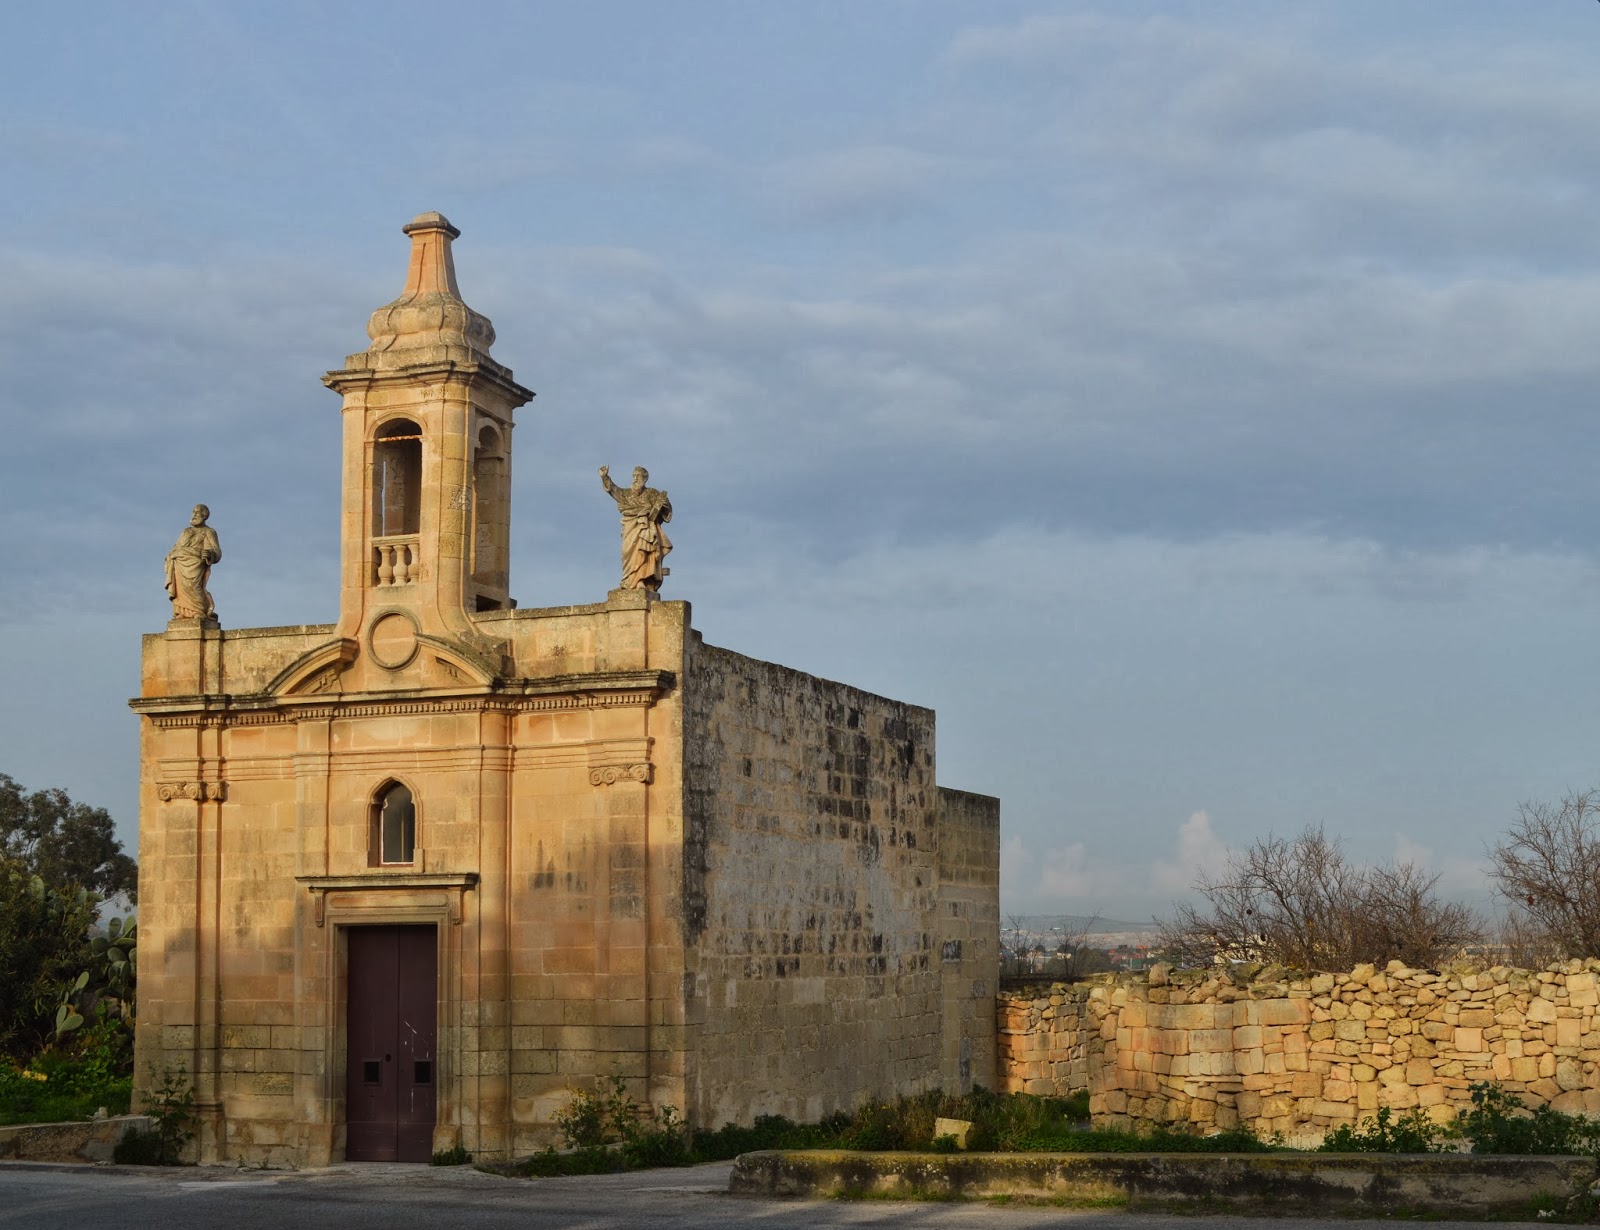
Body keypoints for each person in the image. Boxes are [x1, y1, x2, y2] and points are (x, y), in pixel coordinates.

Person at [599, 465, 672, 592]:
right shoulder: (627, 494)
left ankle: (640, 581)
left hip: (645, 529)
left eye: (638, 476)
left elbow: (665, 508)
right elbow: (614, 490)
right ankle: (628, 580)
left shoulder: (652, 493)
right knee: (627, 553)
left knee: (643, 552)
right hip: (630, 528)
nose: (635, 478)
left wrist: (665, 506)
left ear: (645, 478)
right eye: (633, 476)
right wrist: (605, 477)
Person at [165, 503, 222, 619]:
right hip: (179, 562)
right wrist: (170, 555)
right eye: (193, 512)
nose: (194, 515)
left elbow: (217, 551)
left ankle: (199, 611)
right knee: (181, 588)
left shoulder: (209, 532)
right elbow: (176, 546)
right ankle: (182, 612)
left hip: (196, 562)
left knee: (193, 586)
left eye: (197, 512)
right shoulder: (186, 531)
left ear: (204, 515)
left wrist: (210, 554)